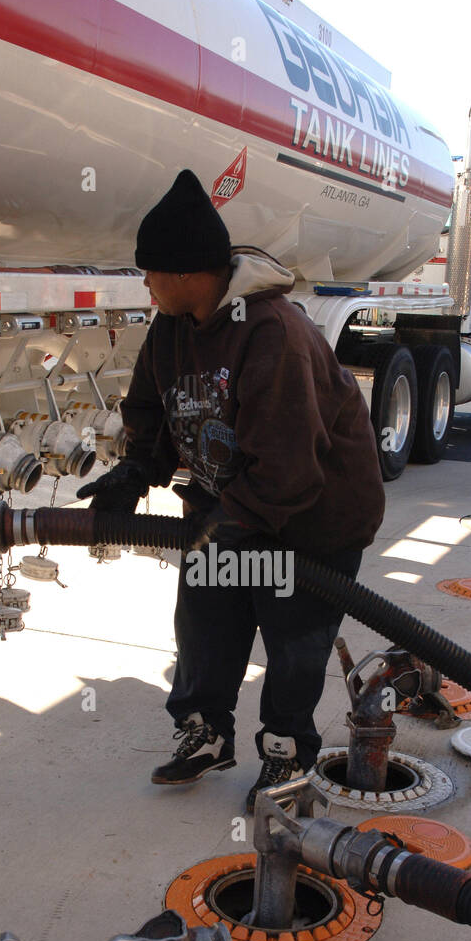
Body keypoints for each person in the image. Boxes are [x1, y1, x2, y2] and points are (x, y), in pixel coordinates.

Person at [78, 169, 385, 811]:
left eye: (150, 271)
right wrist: (136, 471)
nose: (145, 283)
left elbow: (290, 468)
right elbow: (153, 411)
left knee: (293, 643)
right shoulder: (170, 327)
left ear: (189, 272)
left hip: (314, 520)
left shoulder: (272, 331)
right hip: (231, 508)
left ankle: (285, 757)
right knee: (205, 620)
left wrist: (218, 525)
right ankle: (206, 733)